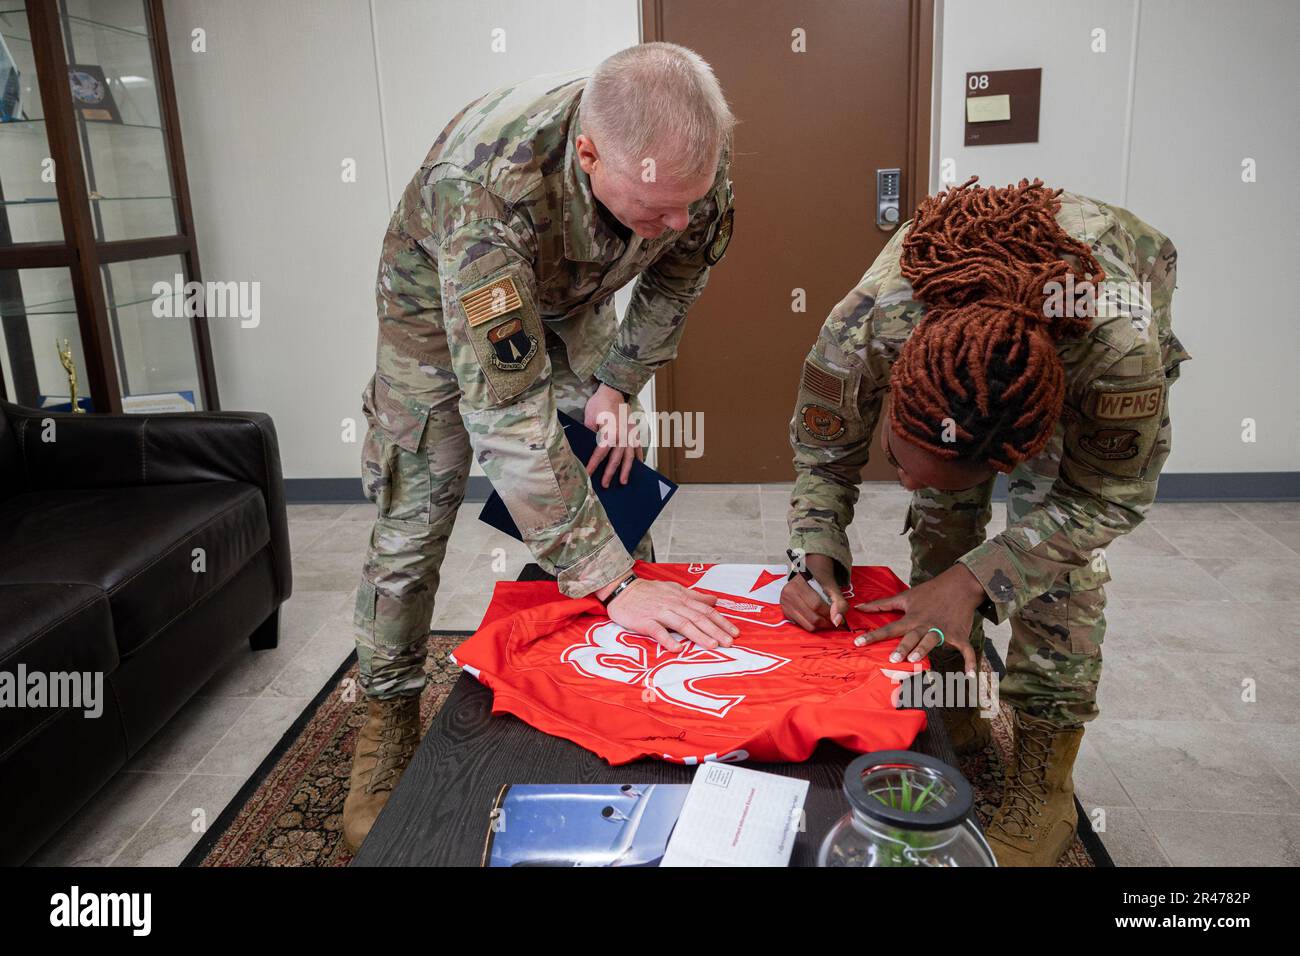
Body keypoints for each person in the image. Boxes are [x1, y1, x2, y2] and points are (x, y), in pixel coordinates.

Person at [345, 43, 741, 852]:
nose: (676, 223)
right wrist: (609, 578)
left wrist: (618, 384)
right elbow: (508, 420)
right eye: (655, 206)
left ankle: (598, 671)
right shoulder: (483, 190)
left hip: (571, 295)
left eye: (687, 204)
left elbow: (678, 275)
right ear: (590, 154)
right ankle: (384, 721)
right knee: (415, 522)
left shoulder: (691, 167)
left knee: (608, 472)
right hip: (438, 311)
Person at [781, 177, 1189, 866]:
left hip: (1100, 304)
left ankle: (1044, 783)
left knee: (1057, 566)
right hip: (950, 317)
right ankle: (953, 699)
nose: (902, 482)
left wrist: (982, 578)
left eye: (916, 472)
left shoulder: (1119, 351)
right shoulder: (873, 322)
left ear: (1011, 454)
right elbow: (823, 450)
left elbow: (1109, 497)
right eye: (899, 462)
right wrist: (815, 553)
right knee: (942, 524)